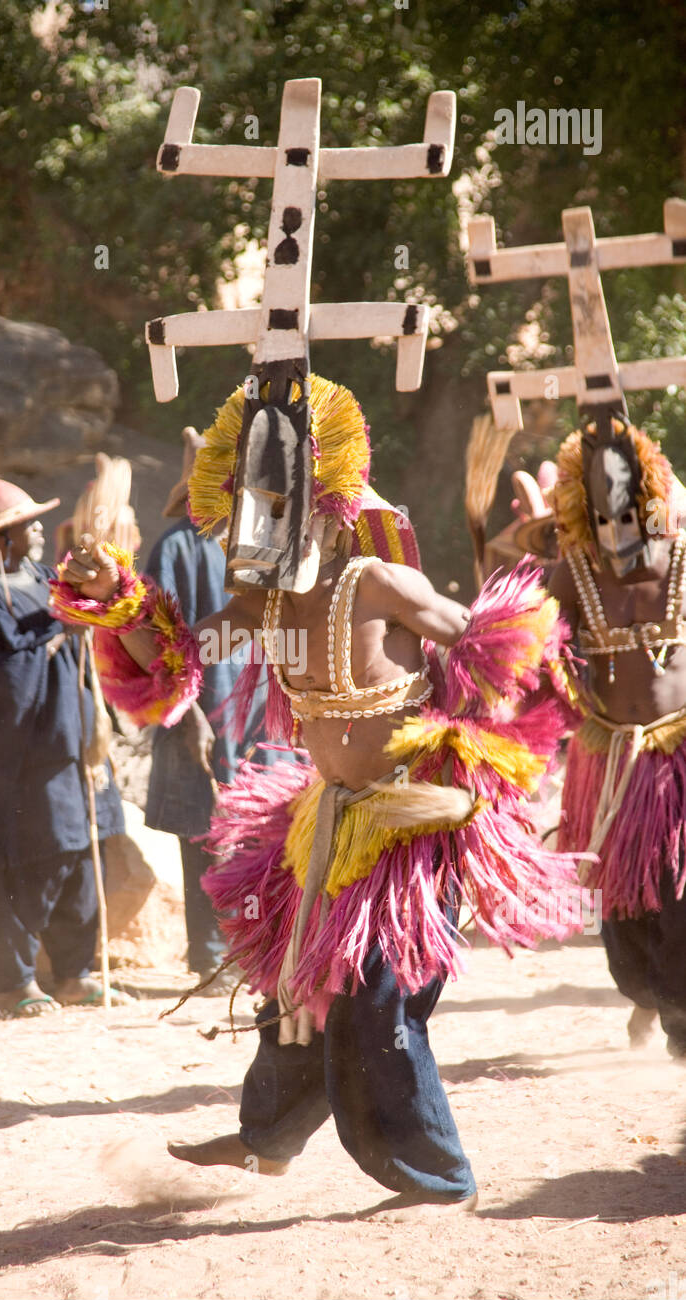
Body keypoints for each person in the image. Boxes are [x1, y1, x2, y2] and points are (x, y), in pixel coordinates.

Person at [51, 374, 581, 1209]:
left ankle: (436, 1174)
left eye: (269, 506)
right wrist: (115, 602)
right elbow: (176, 664)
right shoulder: (264, 605)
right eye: (245, 510)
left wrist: (491, 748)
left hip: (409, 830)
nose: (250, 527)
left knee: (378, 1006)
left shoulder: (376, 582)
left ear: (321, 505)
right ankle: (268, 1137)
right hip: (326, 824)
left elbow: (486, 641)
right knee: (292, 989)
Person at [0, 468, 125, 1017]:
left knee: (78, 858)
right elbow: (3, 679)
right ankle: (15, 983)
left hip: (70, 748)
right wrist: (58, 632)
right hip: (17, 762)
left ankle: (74, 973)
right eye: (27, 525)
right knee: (27, 865)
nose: (39, 531)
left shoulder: (48, 577)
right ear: (0, 537)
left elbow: (87, 623)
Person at [549, 416, 686, 1058]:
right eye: (601, 519)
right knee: (626, 925)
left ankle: (679, 1028)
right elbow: (531, 653)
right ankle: (647, 999)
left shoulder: (685, 556)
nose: (616, 531)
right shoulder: (572, 573)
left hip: (679, 763)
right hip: (609, 768)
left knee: (679, 900)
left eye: (626, 512)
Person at [143, 426, 290, 990]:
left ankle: (253, 947)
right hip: (199, 714)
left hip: (258, 713)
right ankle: (208, 954)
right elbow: (159, 643)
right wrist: (189, 712)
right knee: (203, 834)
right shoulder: (174, 548)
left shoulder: (257, 548)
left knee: (261, 833)